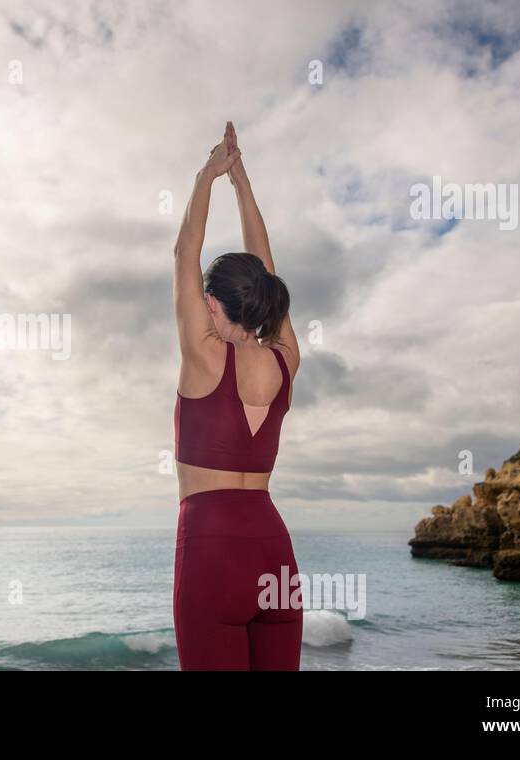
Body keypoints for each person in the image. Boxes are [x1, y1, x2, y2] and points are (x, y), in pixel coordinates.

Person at [171, 121, 302, 670]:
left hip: (211, 552)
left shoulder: (204, 357)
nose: (202, 304)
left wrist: (209, 173)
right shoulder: (285, 359)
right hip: (274, 554)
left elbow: (184, 249)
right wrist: (241, 181)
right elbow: (265, 265)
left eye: (207, 299)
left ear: (215, 307)